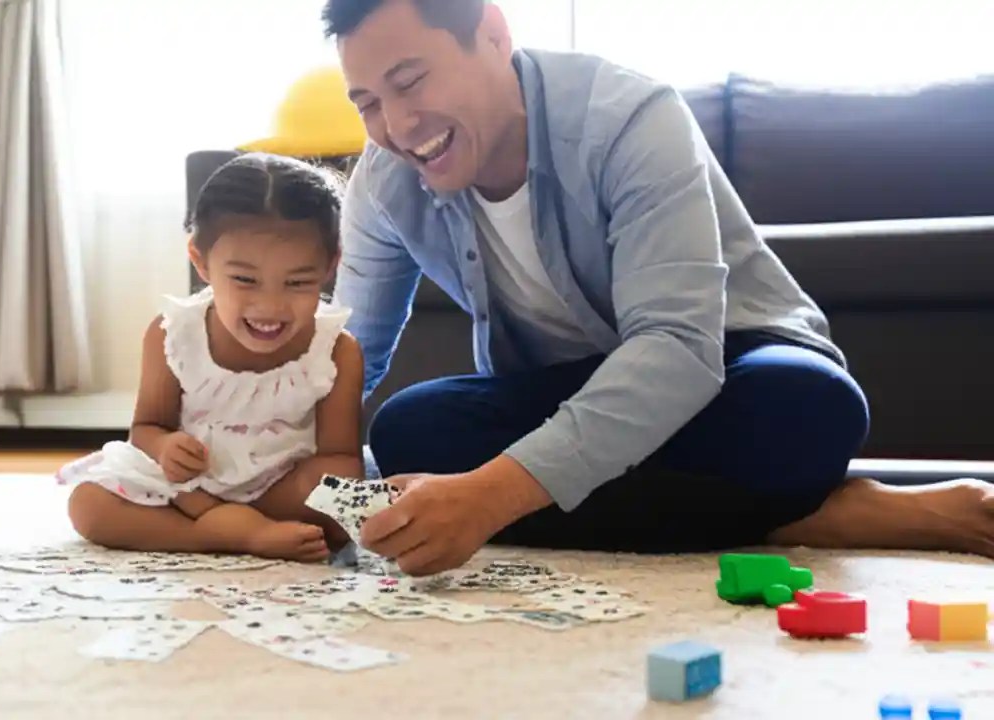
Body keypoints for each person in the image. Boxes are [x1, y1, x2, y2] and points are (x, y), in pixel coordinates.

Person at [324, 0, 994, 576]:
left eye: (410, 81)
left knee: (811, 409)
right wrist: (255, 461)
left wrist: (490, 497)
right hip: (568, 390)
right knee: (411, 432)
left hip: (727, 359)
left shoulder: (626, 115)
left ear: (494, 35)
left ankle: (774, 512)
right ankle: (806, 515)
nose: (397, 124)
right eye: (369, 104)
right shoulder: (385, 182)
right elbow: (347, 355)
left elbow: (677, 346)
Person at [63, 153, 365, 562]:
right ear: (201, 262)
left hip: (278, 490)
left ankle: (243, 523)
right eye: (245, 280)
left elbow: (340, 458)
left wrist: (322, 495)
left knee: (345, 493)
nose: (269, 307)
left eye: (297, 282)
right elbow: (146, 428)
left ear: (331, 266)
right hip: (188, 490)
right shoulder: (173, 334)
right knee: (89, 505)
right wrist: (168, 447)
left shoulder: (336, 350)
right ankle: (220, 536)